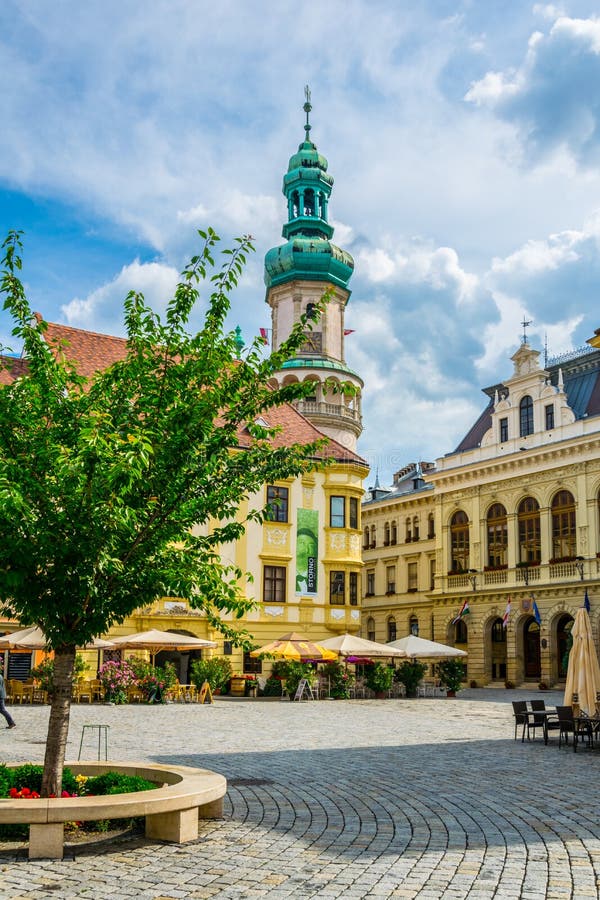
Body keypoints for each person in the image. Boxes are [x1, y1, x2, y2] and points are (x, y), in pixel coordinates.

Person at [0, 662, 16, 729]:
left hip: (0, 696)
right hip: (1, 695)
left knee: (2, 710)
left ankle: (11, 723)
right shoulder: (0, 676)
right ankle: (11, 723)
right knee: (2, 710)